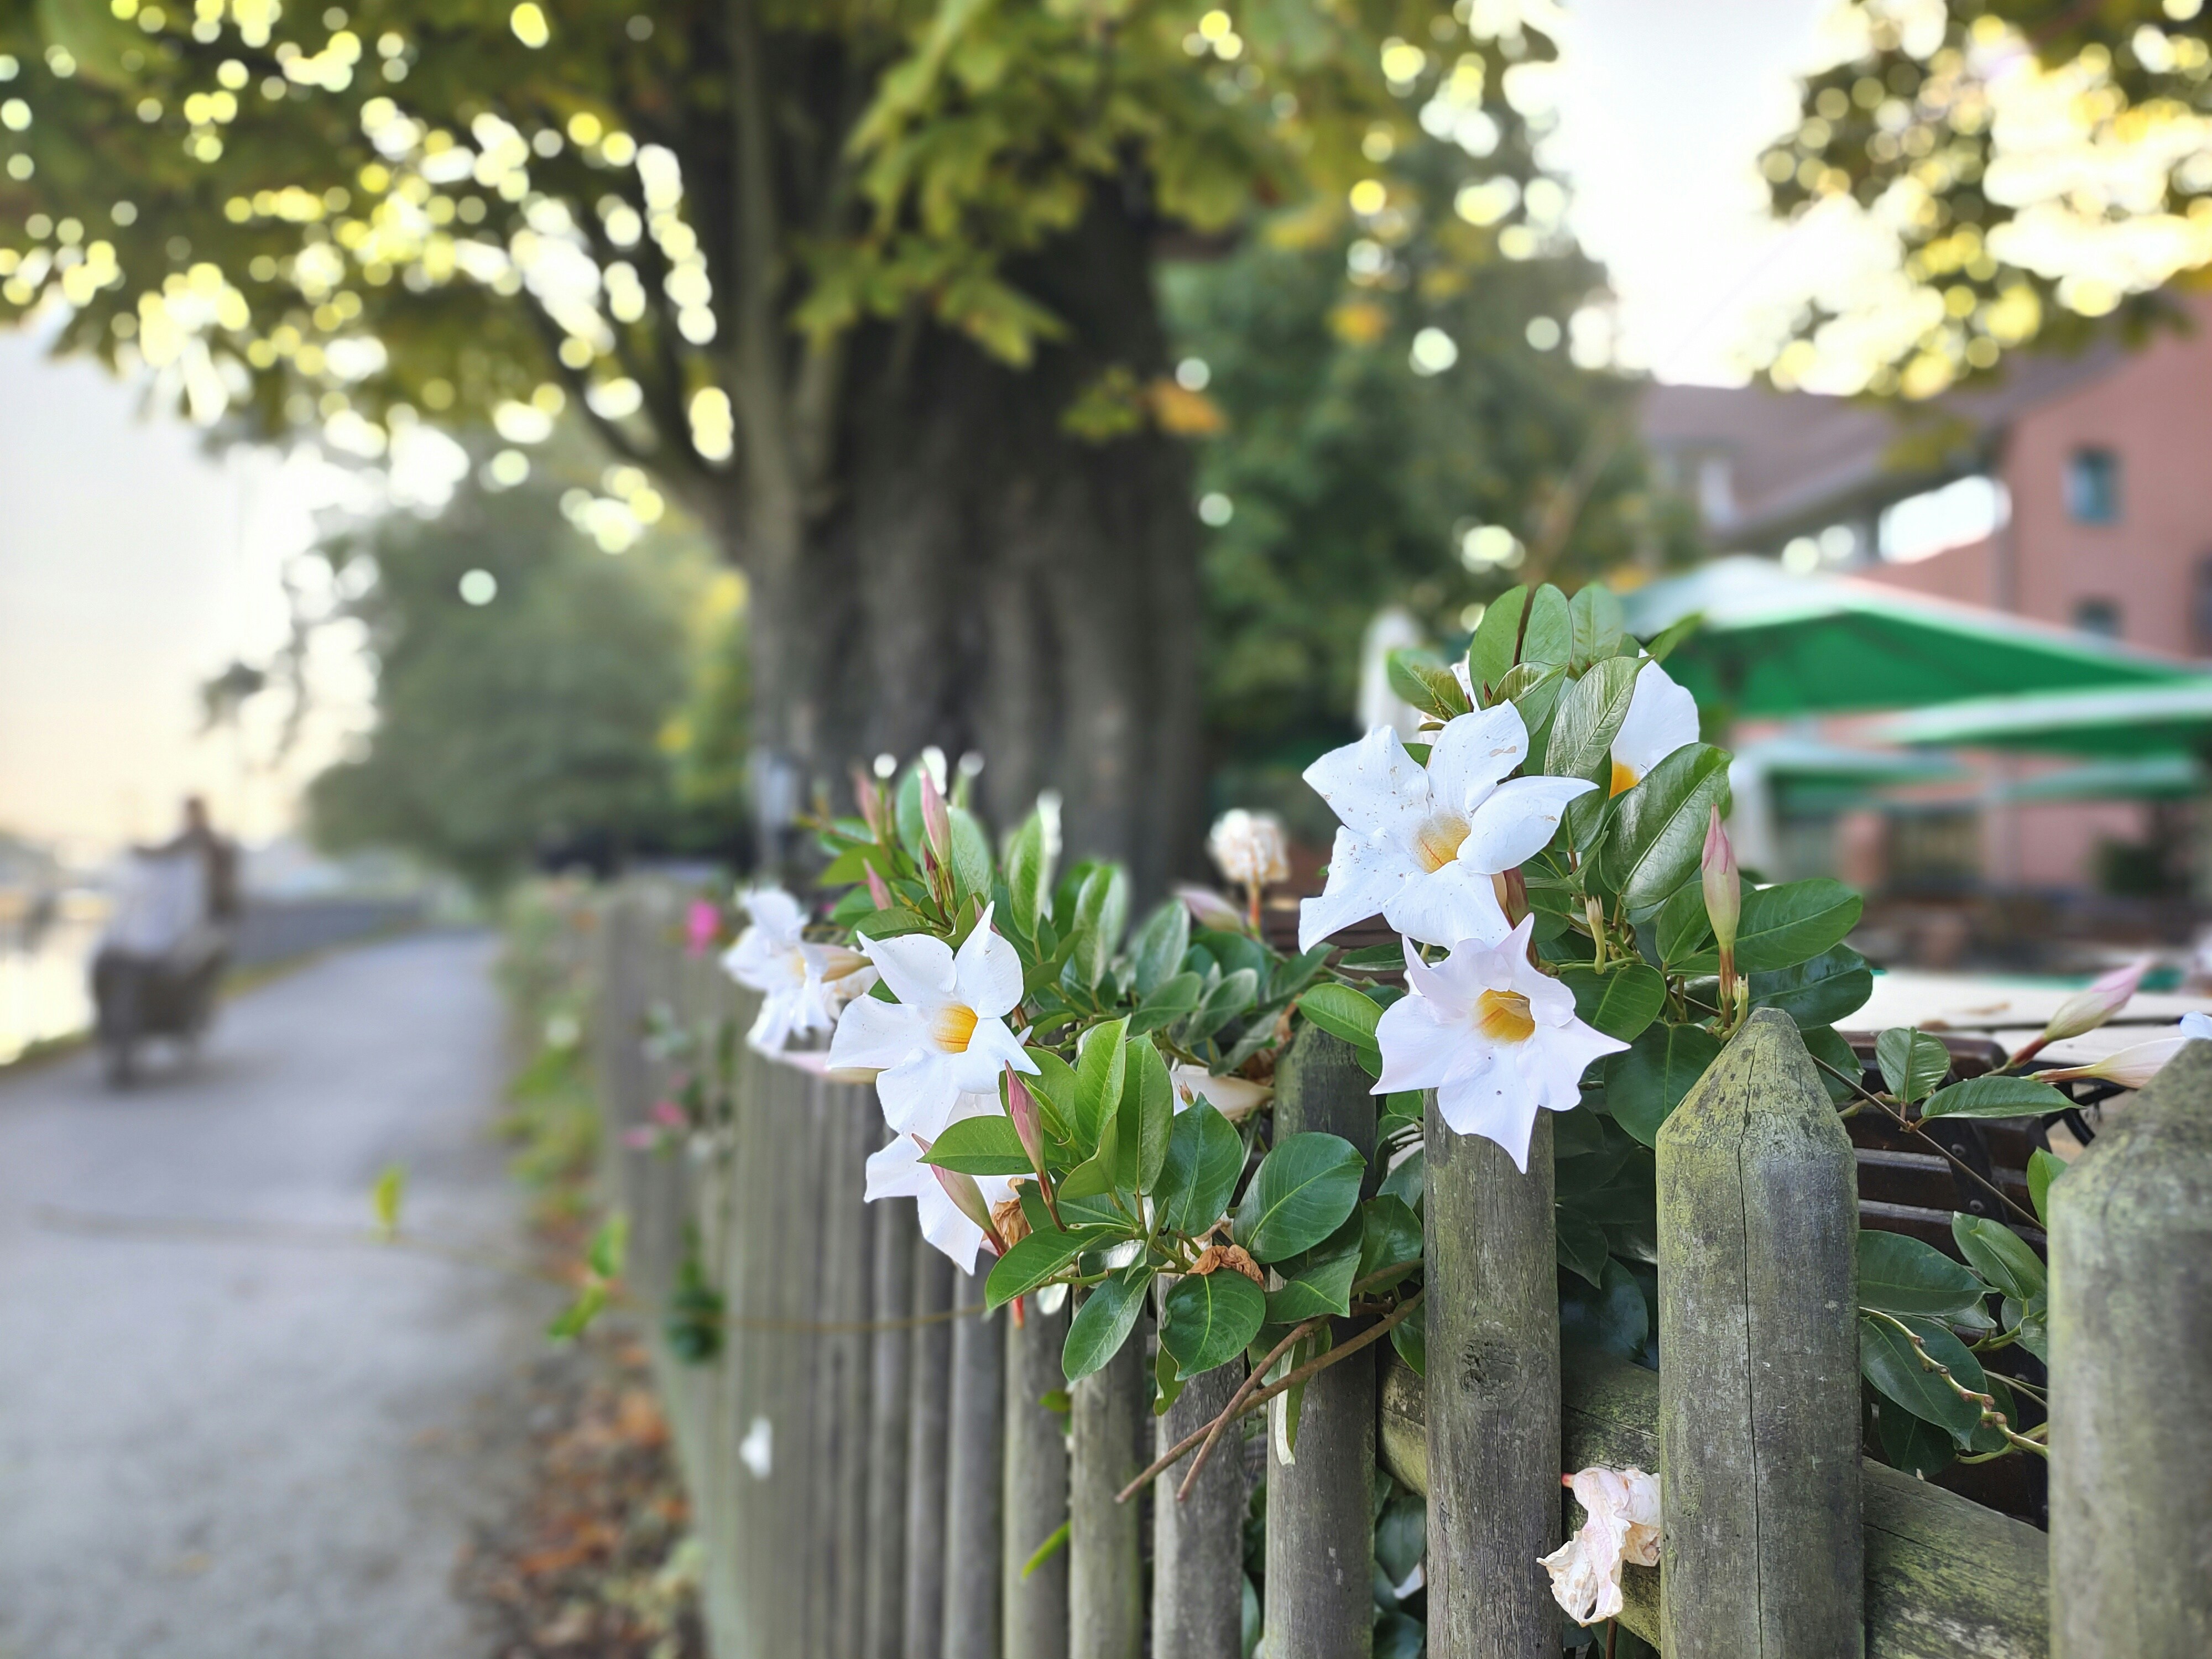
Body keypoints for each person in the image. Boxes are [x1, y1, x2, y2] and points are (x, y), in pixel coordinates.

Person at [91, 798, 238, 1083]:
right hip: (166, 930)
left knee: (196, 968)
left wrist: (213, 882)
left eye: (193, 813)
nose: (190, 818)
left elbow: (225, 893)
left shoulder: (215, 846)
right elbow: (159, 857)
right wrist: (137, 850)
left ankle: (193, 1016)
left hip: (207, 924)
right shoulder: (182, 842)